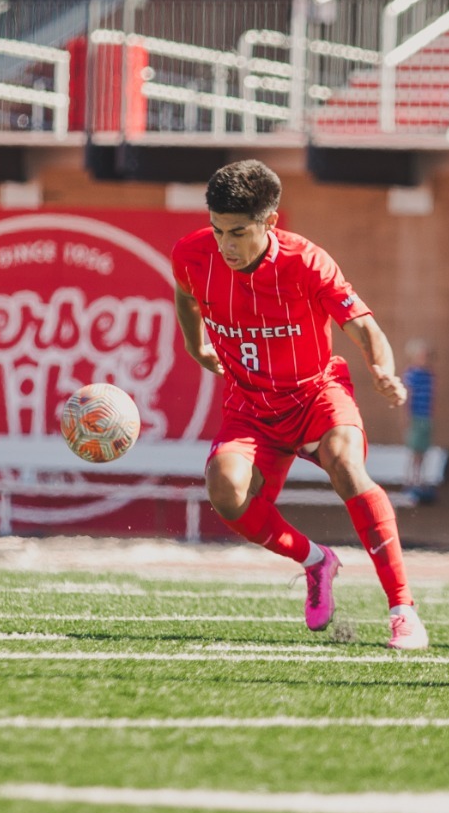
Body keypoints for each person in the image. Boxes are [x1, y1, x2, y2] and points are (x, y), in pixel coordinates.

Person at [172, 160, 429, 649]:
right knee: (224, 491)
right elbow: (186, 299)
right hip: (249, 405)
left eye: (239, 232)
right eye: (218, 229)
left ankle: (403, 611)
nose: (226, 245)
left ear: (269, 223)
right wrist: (196, 345)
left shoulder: (306, 261)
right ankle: (316, 561)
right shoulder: (191, 254)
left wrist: (383, 370)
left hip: (316, 394)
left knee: (346, 465)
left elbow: (364, 328)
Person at [400, 340, 437, 503]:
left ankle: (420, 479)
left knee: (422, 451)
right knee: (414, 450)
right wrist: (407, 417)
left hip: (425, 417)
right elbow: (407, 396)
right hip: (415, 416)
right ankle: (409, 480)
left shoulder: (429, 375)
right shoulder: (411, 374)